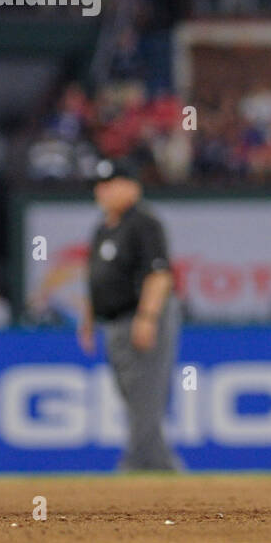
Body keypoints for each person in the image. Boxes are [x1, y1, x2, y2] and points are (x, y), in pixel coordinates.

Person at [80, 158, 183, 471]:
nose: (102, 190)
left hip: (140, 316)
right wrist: (88, 320)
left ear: (132, 187)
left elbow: (159, 274)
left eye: (110, 184)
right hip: (113, 322)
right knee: (133, 396)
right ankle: (163, 468)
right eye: (100, 185)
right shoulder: (103, 228)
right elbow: (95, 277)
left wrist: (148, 317)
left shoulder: (143, 223)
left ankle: (135, 465)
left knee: (145, 396)